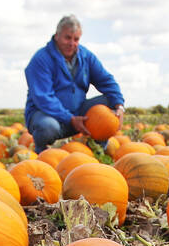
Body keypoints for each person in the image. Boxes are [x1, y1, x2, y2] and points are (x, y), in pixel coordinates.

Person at [24, 15, 124, 152]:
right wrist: (70, 118)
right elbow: (43, 98)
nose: (72, 43)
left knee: (110, 101)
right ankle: (42, 153)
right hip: (48, 115)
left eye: (76, 39)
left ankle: (95, 151)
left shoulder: (86, 56)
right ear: (57, 36)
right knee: (47, 127)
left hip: (77, 113)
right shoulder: (41, 59)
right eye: (67, 38)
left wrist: (119, 105)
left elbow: (106, 80)